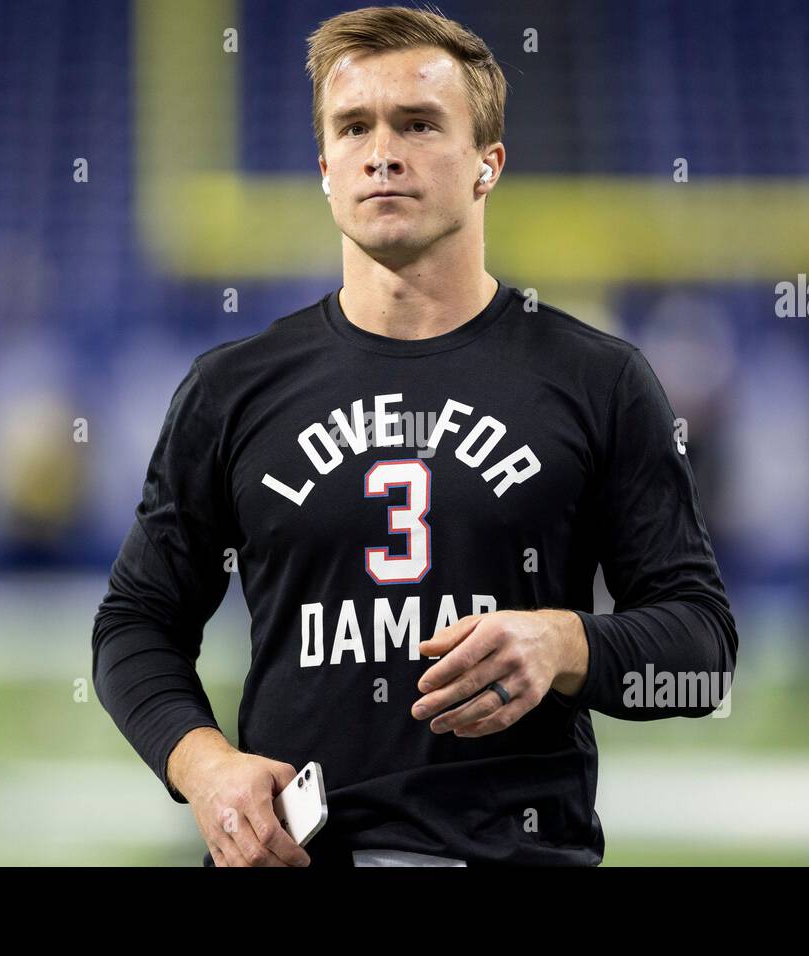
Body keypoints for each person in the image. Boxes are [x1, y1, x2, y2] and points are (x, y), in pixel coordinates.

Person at [91, 5, 737, 867]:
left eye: (420, 124)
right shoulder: (232, 389)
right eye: (353, 126)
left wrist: (565, 643)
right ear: (325, 167)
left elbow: (703, 652)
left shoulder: (597, 379)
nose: (382, 151)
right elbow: (135, 624)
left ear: (487, 165)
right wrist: (204, 769)